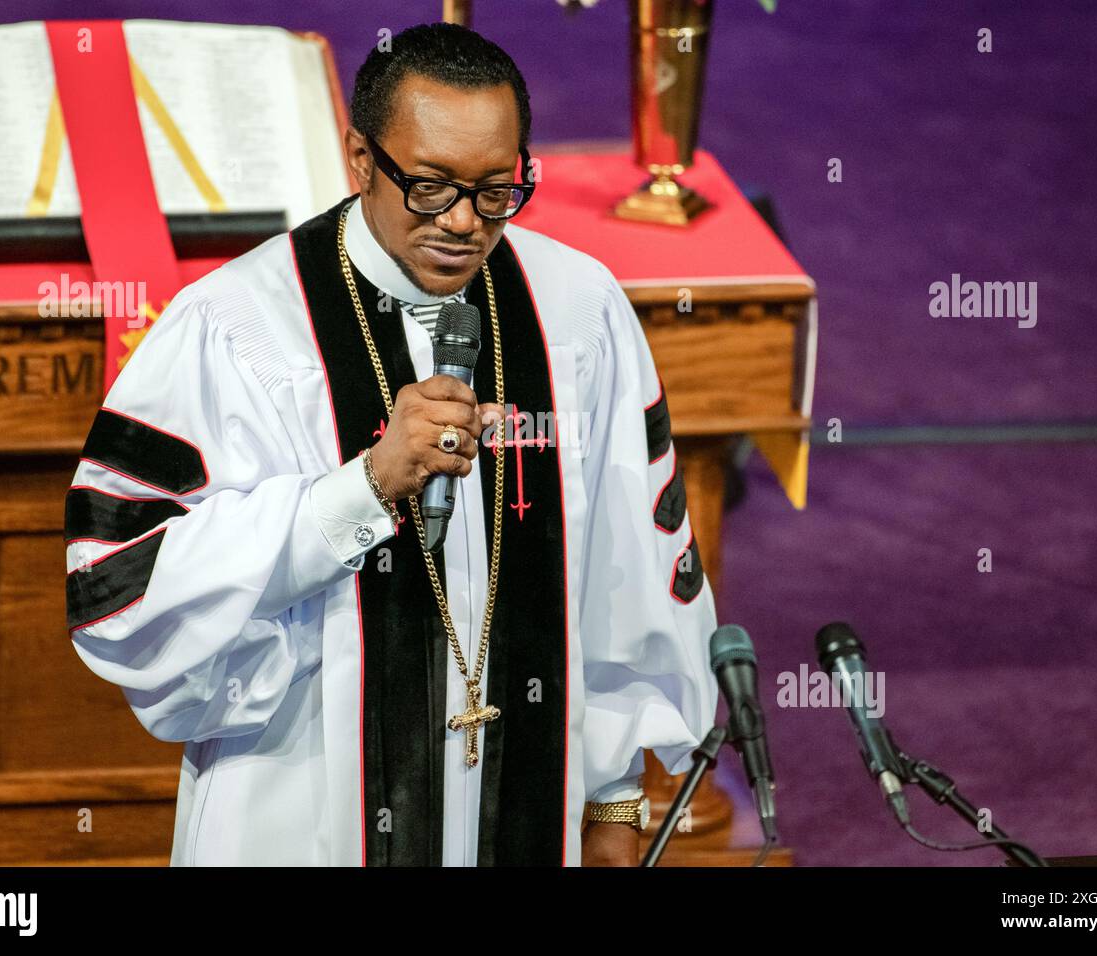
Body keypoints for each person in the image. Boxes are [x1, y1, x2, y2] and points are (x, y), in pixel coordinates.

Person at [64, 22, 717, 866]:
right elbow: (114, 584)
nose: (463, 223)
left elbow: (624, 572)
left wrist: (616, 798)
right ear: (362, 158)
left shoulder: (577, 314)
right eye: (431, 186)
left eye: (496, 190)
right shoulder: (238, 328)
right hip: (300, 806)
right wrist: (361, 490)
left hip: (528, 806)